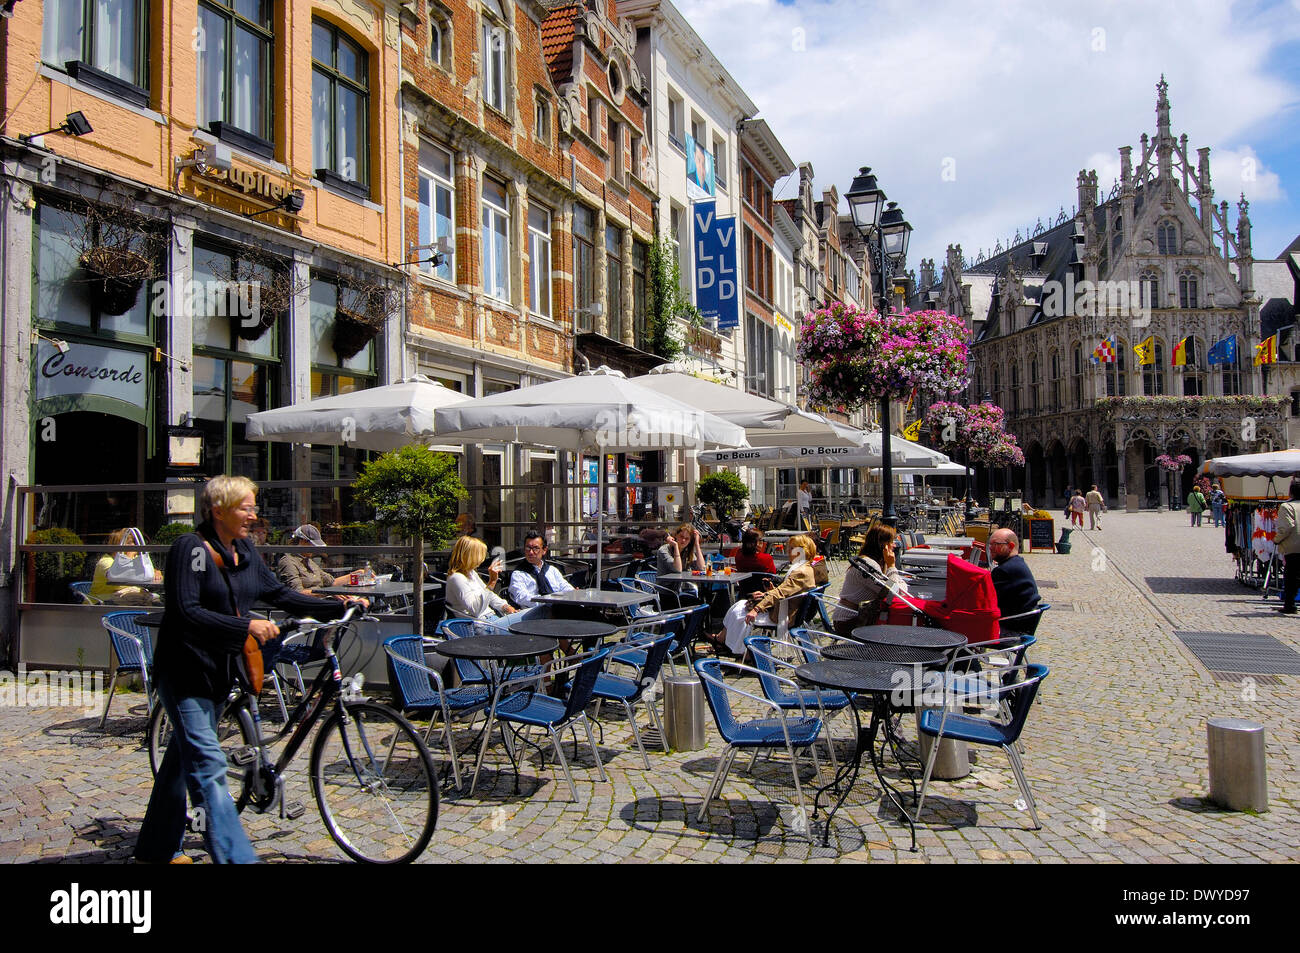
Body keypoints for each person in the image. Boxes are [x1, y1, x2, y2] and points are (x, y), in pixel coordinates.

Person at [135, 475, 366, 864]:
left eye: (253, 507)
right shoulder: (189, 549)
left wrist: (339, 606)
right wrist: (246, 626)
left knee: (181, 759)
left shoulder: (243, 550)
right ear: (218, 510)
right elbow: (187, 611)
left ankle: (155, 848)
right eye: (246, 507)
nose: (253, 515)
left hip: (221, 672)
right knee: (208, 768)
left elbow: (278, 594)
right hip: (186, 673)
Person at [711, 534, 823, 657]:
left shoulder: (800, 571)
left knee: (739, 611)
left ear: (800, 551)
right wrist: (768, 591)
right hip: (786, 608)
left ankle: (740, 652)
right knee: (738, 605)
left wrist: (757, 608)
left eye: (791, 548)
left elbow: (781, 593)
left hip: (785, 615)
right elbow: (786, 591)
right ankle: (729, 644)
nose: (788, 551)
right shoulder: (803, 568)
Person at [832, 524, 908, 636]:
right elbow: (898, 593)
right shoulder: (868, 565)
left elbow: (898, 590)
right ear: (883, 545)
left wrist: (890, 568)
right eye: (891, 542)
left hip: (861, 617)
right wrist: (892, 566)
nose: (894, 546)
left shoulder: (871, 562)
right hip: (849, 622)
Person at [445, 536, 518, 621]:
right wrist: (492, 581)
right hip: (481, 625)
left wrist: (505, 607)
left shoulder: (471, 573)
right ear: (471, 556)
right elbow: (475, 610)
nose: (482, 559)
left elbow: (488, 595)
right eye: (481, 555)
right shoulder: (457, 578)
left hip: (491, 618)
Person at [91, 527, 162, 605]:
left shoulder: (131, 559)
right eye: (129, 543)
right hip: (105, 599)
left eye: (134, 543)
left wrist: (156, 572)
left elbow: (143, 570)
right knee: (140, 600)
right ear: (118, 545)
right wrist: (130, 555)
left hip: (129, 596)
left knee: (156, 601)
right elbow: (121, 574)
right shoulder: (105, 561)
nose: (133, 545)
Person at [508, 531, 575, 608]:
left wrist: (572, 593)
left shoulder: (552, 570)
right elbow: (521, 597)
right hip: (533, 612)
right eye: (528, 548)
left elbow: (565, 587)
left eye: (536, 548)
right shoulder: (519, 574)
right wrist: (546, 601)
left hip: (558, 608)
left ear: (544, 550)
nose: (531, 552)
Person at [277, 524, 352, 592]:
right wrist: (329, 593)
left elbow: (331, 582)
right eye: (313, 545)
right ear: (302, 542)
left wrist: (357, 574)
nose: (315, 549)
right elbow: (298, 593)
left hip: (321, 600)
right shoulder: (288, 562)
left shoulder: (309, 561)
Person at [988, 528, 1040, 620]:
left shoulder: (1005, 570)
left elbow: (987, 599)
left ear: (1011, 546)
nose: (990, 548)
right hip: (1022, 620)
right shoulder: (1017, 563)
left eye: (996, 544)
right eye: (990, 544)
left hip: (1011, 623)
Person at [1272, 480, 1300, 614]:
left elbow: (1287, 527)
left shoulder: (1287, 507)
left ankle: (1290, 605)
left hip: (1294, 546)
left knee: (1291, 577)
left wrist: (1276, 540)